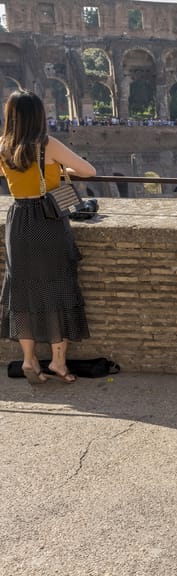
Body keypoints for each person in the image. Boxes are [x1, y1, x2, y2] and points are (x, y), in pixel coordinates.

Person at [0, 90, 96, 385]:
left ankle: (29, 360)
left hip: (18, 221)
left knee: (22, 291)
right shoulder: (47, 144)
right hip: (48, 221)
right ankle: (57, 362)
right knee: (59, 288)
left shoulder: (3, 145)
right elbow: (88, 171)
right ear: (38, 115)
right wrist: (58, 169)